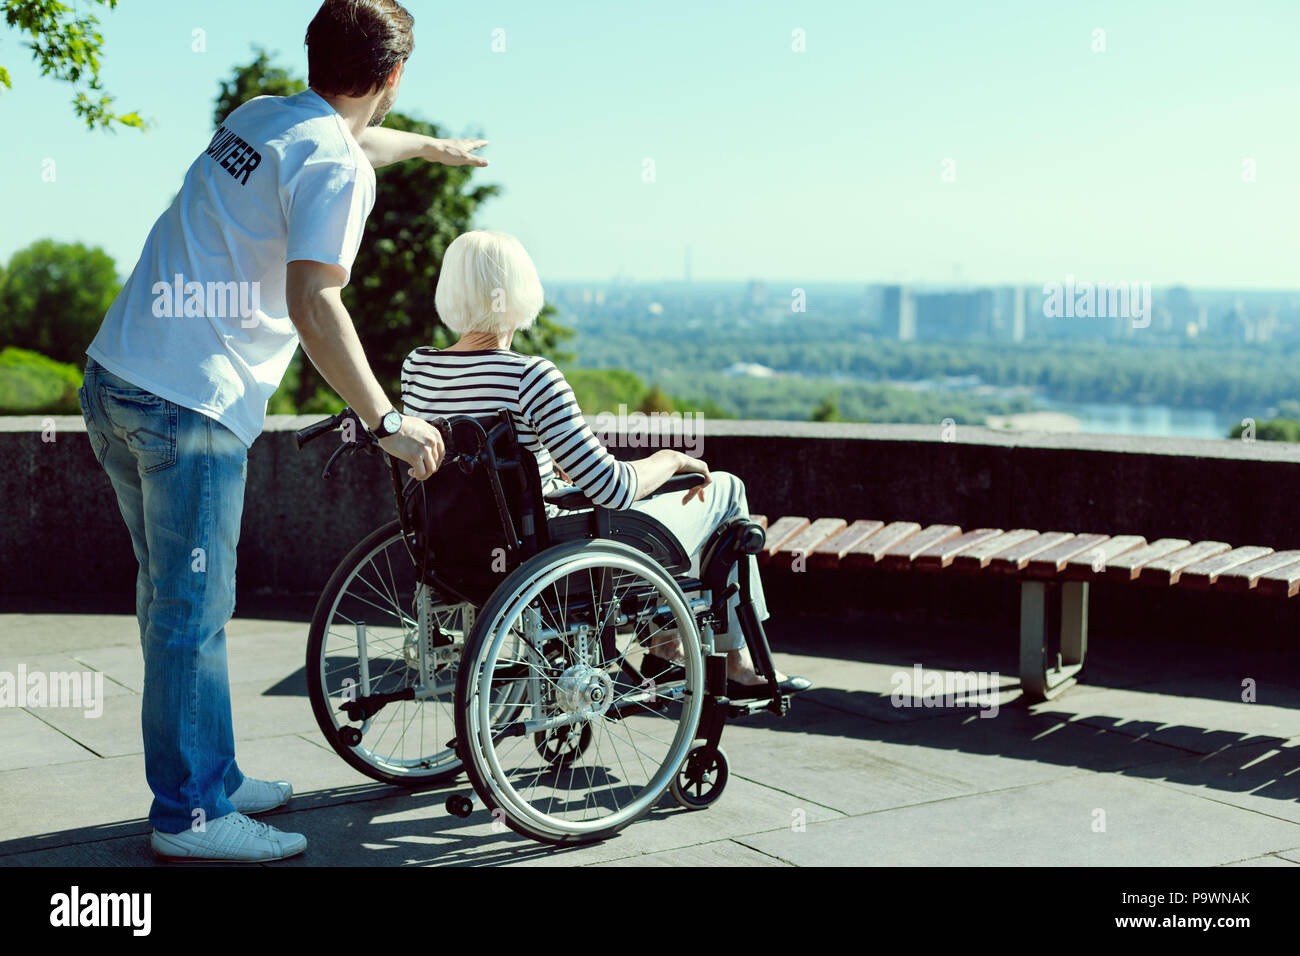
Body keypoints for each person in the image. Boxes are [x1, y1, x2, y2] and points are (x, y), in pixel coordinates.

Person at [78, 0, 487, 862]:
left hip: (115, 376)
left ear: (315, 57)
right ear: (393, 77)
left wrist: (428, 147)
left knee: (174, 603)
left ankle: (211, 778)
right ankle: (189, 816)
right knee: (192, 612)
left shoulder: (262, 119)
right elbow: (314, 299)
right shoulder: (335, 164)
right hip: (187, 406)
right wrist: (386, 418)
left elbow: (350, 142)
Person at [400, 230, 812, 695]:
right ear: (521, 292)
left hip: (453, 547)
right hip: (542, 550)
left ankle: (668, 644)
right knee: (725, 490)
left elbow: (469, 463)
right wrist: (670, 458)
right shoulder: (530, 376)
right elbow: (611, 488)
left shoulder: (419, 367)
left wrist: (538, 467)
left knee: (651, 511)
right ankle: (727, 660)